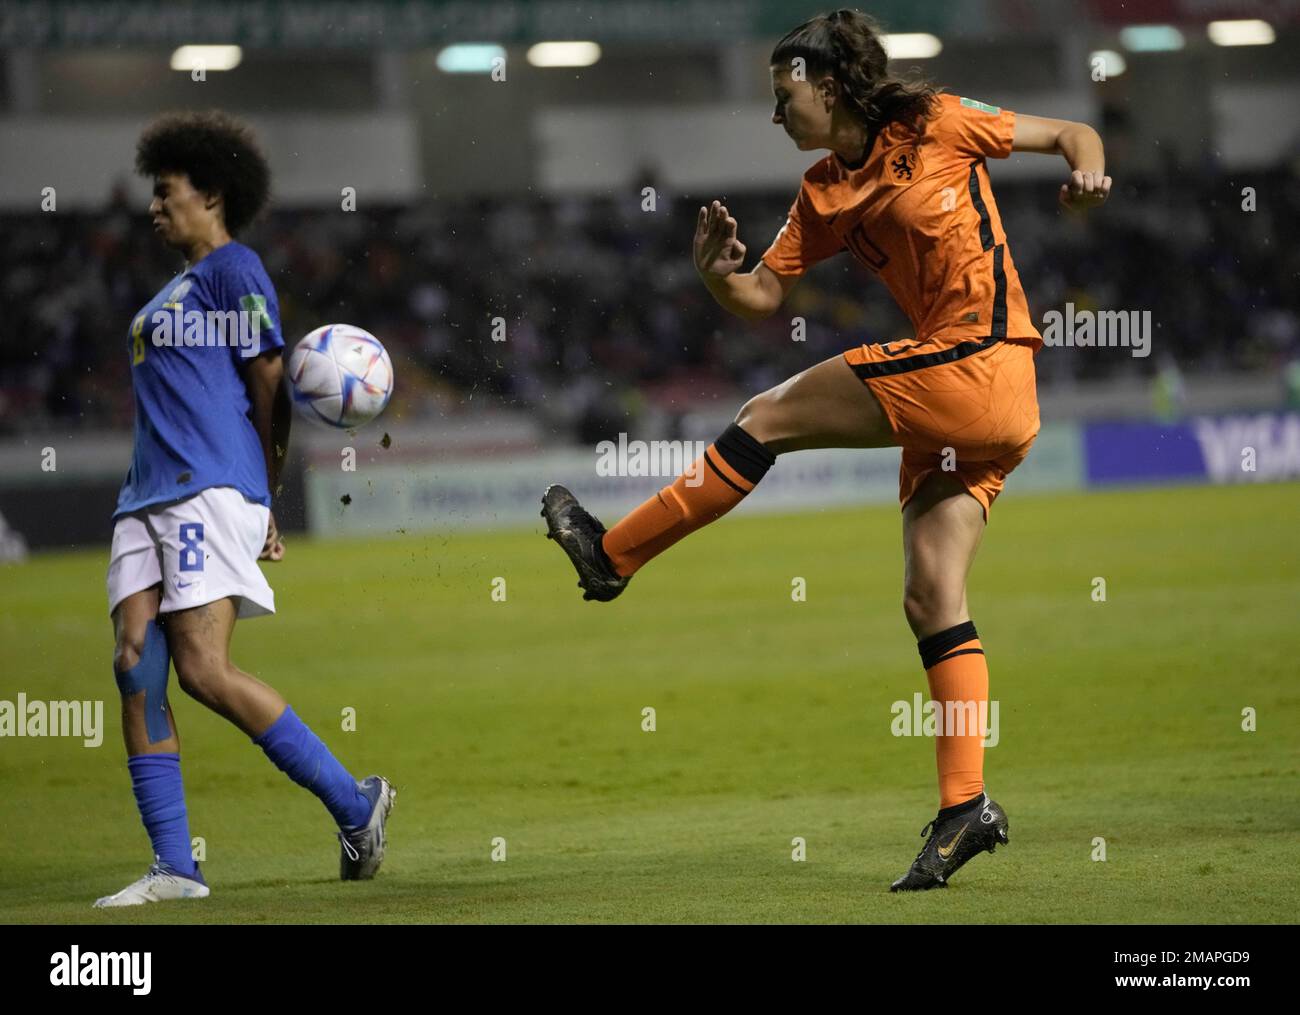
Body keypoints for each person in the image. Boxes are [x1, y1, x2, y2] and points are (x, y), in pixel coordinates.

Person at [542, 9, 1110, 891]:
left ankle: (613, 556)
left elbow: (1072, 131)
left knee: (766, 415)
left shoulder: (939, 122)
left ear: (830, 86)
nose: (777, 115)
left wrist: (1088, 176)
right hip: (969, 404)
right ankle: (967, 808)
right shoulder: (822, 191)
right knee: (932, 595)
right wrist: (715, 276)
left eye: (784, 95)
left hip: (985, 362)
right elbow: (765, 293)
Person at [97, 111, 394, 907]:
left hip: (206, 486)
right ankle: (175, 868)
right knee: (134, 663)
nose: (154, 207)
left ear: (212, 194)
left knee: (202, 670)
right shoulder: (174, 290)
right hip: (144, 498)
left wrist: (265, 493)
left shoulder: (235, 270)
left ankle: (355, 804)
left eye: (166, 193)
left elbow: (269, 381)